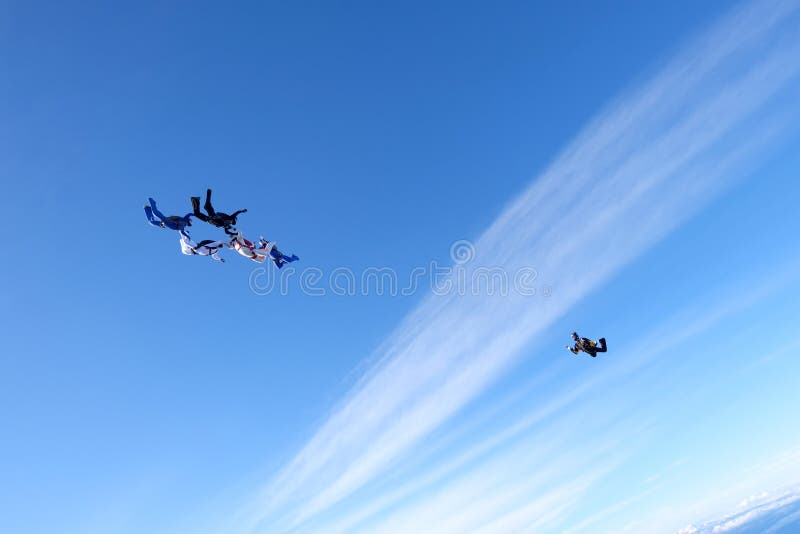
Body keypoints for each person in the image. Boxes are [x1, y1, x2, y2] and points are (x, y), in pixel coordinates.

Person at [229, 231, 299, 268]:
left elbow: (270, 244)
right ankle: (292, 258)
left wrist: (262, 241)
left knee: (286, 260)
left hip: (275, 255)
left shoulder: (269, 246)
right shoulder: (264, 247)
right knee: (280, 264)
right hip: (273, 257)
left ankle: (294, 258)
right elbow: (260, 251)